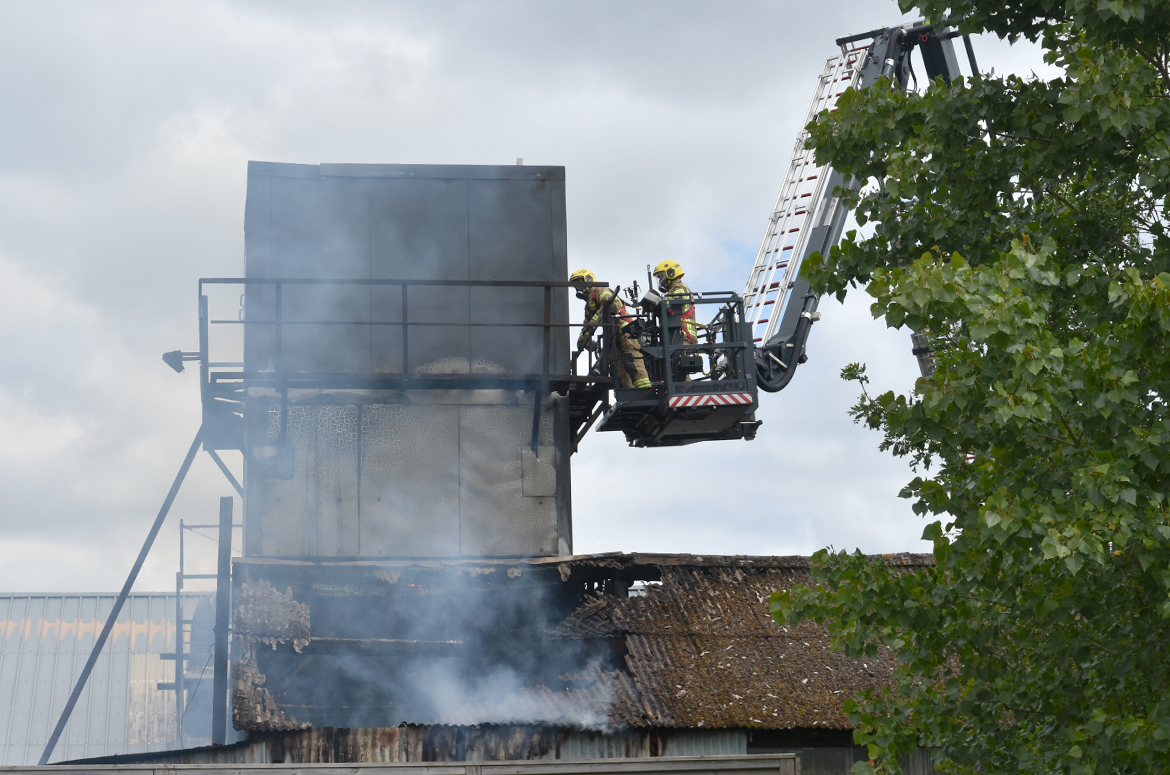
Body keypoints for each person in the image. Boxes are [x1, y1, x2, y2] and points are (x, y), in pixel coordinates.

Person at [570, 269, 652, 389]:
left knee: (633, 363)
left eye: (579, 283)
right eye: (575, 286)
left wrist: (593, 324)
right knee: (620, 371)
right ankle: (629, 394)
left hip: (626, 332)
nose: (578, 288)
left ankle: (645, 391)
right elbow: (587, 324)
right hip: (612, 337)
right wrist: (582, 339)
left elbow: (612, 305)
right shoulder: (588, 305)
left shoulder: (601, 290)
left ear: (589, 280)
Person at [652, 260, 698, 344]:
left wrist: (660, 302)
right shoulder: (672, 290)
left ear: (671, 273)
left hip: (684, 334)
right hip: (679, 333)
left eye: (662, 276)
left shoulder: (679, 286)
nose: (661, 280)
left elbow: (676, 301)